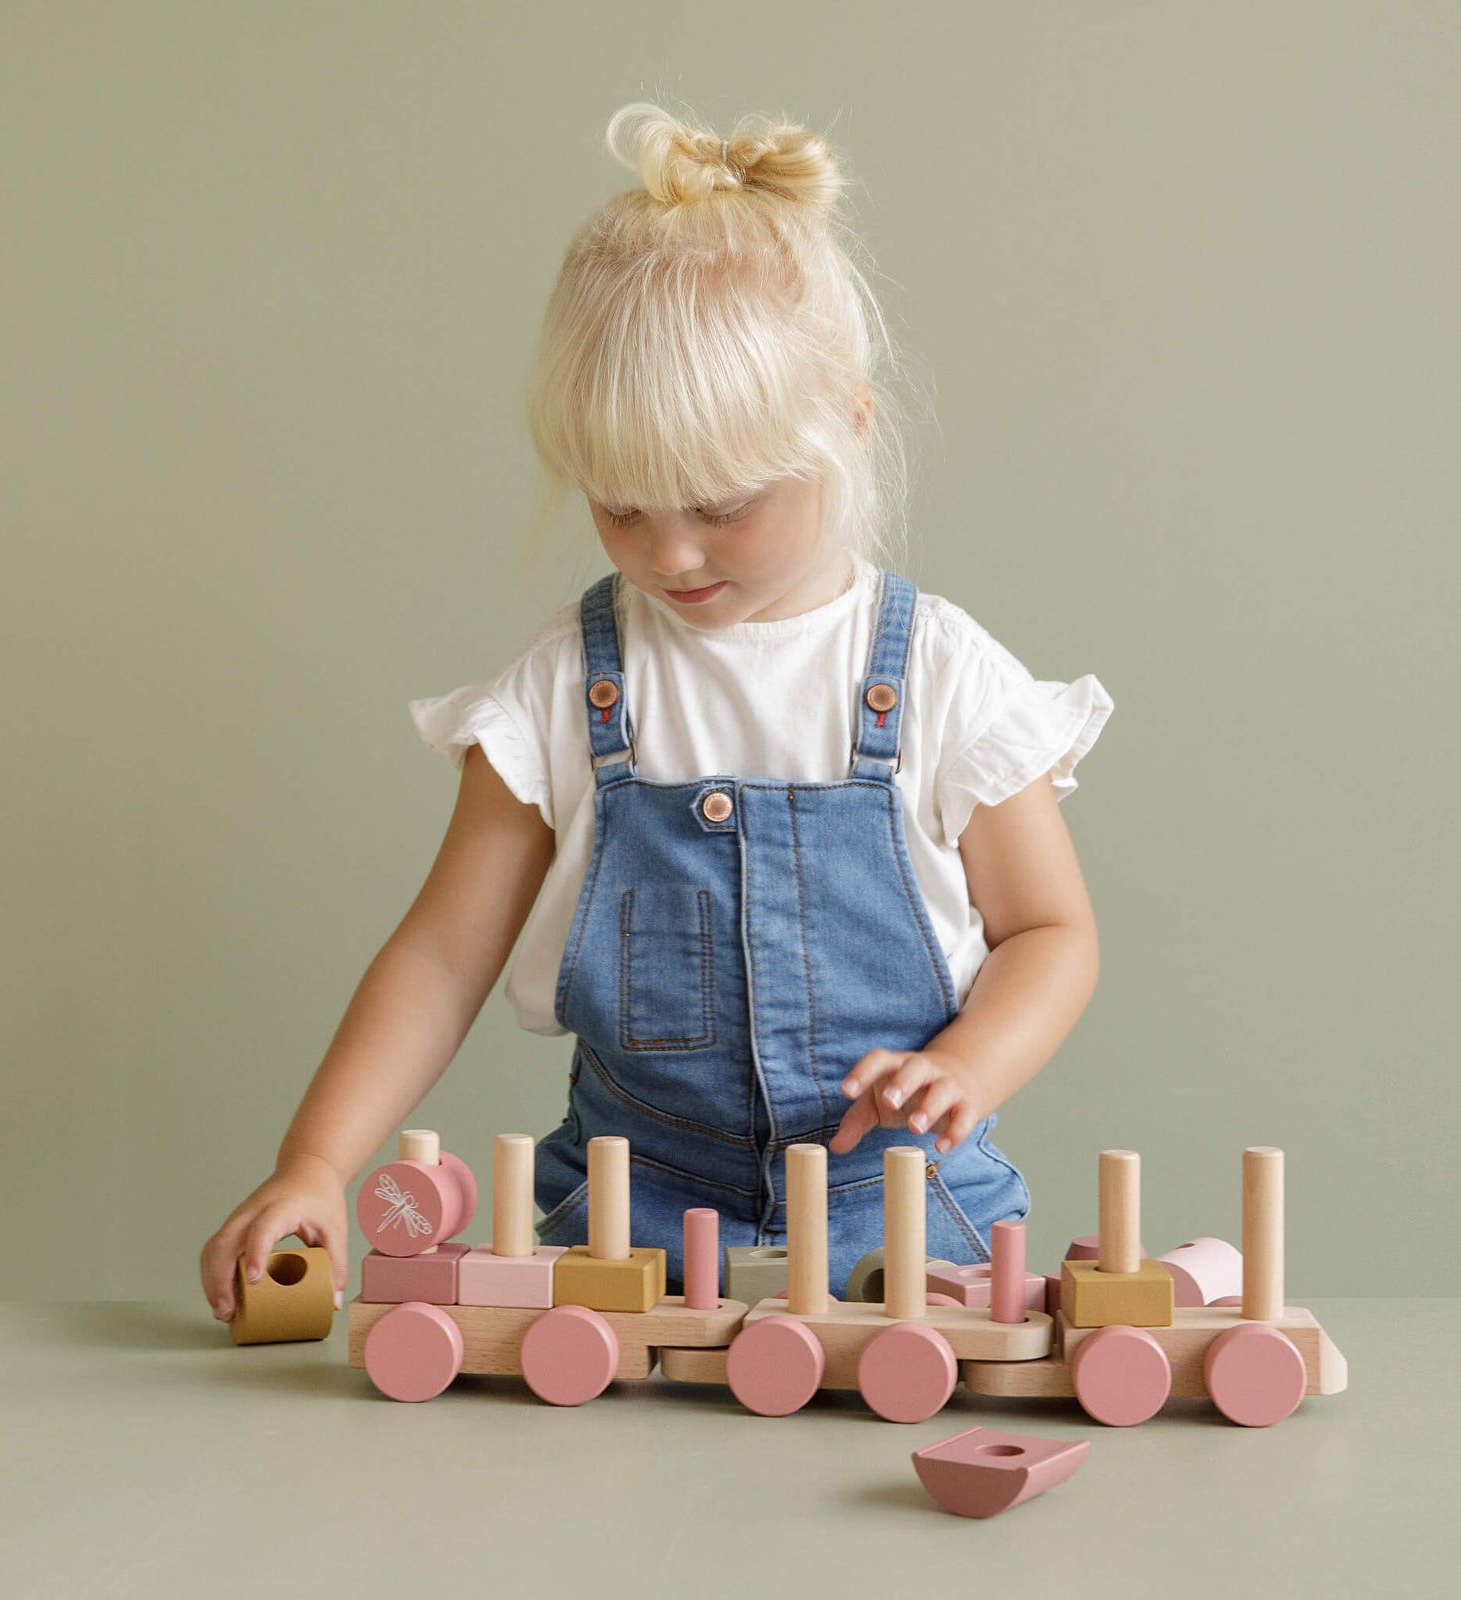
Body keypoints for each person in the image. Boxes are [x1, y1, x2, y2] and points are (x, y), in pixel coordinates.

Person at [200, 101, 1113, 1318]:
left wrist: (968, 1062)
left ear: (847, 426)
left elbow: (1051, 934)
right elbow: (438, 954)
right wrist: (315, 1159)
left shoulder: (942, 673)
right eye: (620, 505)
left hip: (897, 1212)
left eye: (721, 502)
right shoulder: (565, 689)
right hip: (625, 1222)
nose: (671, 550)